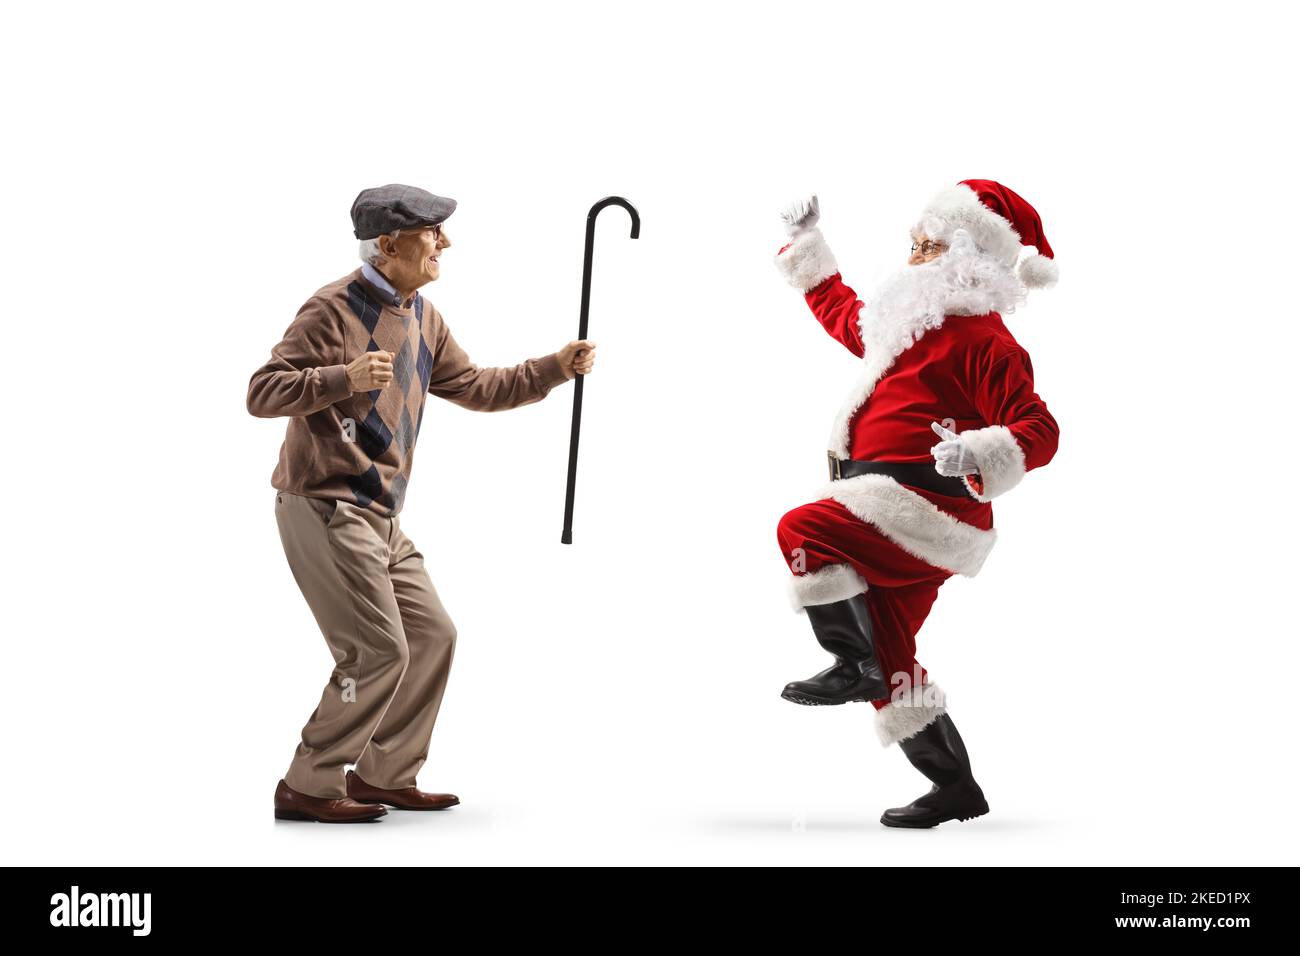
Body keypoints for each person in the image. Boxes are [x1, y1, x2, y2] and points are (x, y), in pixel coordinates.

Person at [248, 184, 596, 822]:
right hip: (326, 507)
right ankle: (308, 784)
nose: (446, 243)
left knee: (433, 636)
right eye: (432, 232)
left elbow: (474, 385)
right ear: (387, 244)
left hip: (381, 516)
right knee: (376, 653)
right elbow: (263, 391)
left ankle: (383, 774)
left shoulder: (423, 316)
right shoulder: (331, 310)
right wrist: (343, 379)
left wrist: (553, 367)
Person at [773, 180, 1060, 828]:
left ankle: (854, 663)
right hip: (885, 503)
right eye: (915, 243)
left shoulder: (987, 343)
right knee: (896, 663)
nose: (914, 256)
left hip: (924, 510)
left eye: (929, 247)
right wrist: (807, 241)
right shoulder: (907, 321)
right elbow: (845, 315)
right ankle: (955, 787)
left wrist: (980, 453)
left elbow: (1040, 429)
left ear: (970, 257)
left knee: (802, 528)